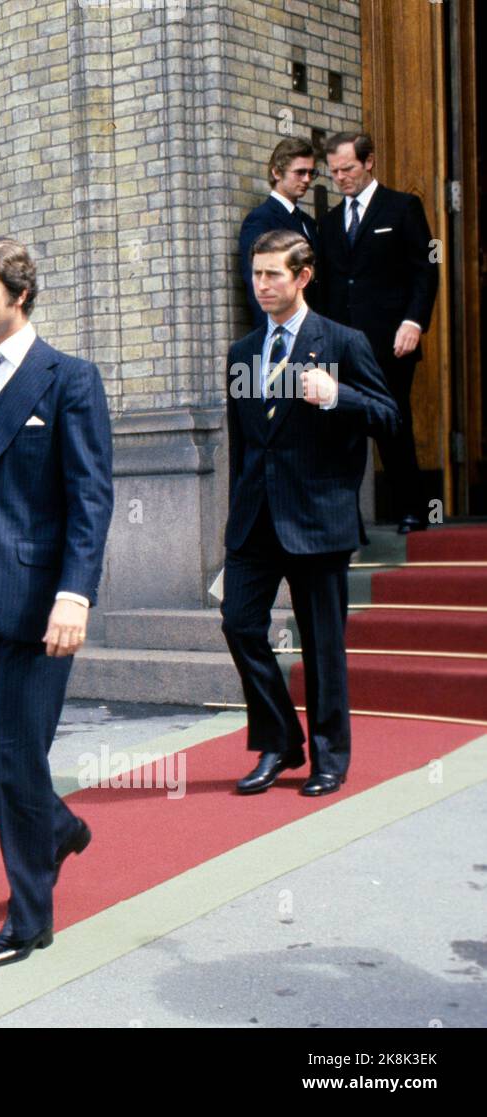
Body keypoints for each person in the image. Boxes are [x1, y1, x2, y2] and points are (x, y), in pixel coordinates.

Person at [0, 237, 113, 968]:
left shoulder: (70, 379)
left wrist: (76, 593)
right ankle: (56, 827)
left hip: (41, 602)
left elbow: (91, 498)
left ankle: (30, 918)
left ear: (19, 294)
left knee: (16, 751)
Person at [222, 228, 398, 797]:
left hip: (318, 519)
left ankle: (328, 757)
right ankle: (278, 741)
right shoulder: (242, 353)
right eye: (256, 274)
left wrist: (335, 395)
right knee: (240, 624)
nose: (262, 285)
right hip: (255, 518)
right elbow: (243, 443)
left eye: (273, 274)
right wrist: (233, 519)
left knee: (322, 644)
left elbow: (387, 417)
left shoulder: (342, 343)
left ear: (303, 277)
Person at [318, 131, 439, 533]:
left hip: (391, 341)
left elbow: (425, 270)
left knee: (392, 421)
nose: (341, 178)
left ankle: (412, 509)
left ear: (369, 162)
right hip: (341, 344)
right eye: (334, 172)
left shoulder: (402, 208)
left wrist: (414, 322)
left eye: (348, 168)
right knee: (340, 429)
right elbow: (329, 287)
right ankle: (345, 519)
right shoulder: (331, 223)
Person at [237, 136, 323, 323]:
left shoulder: (308, 222)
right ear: (277, 172)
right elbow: (258, 283)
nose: (307, 179)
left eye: (311, 173)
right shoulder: (261, 219)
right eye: (300, 172)